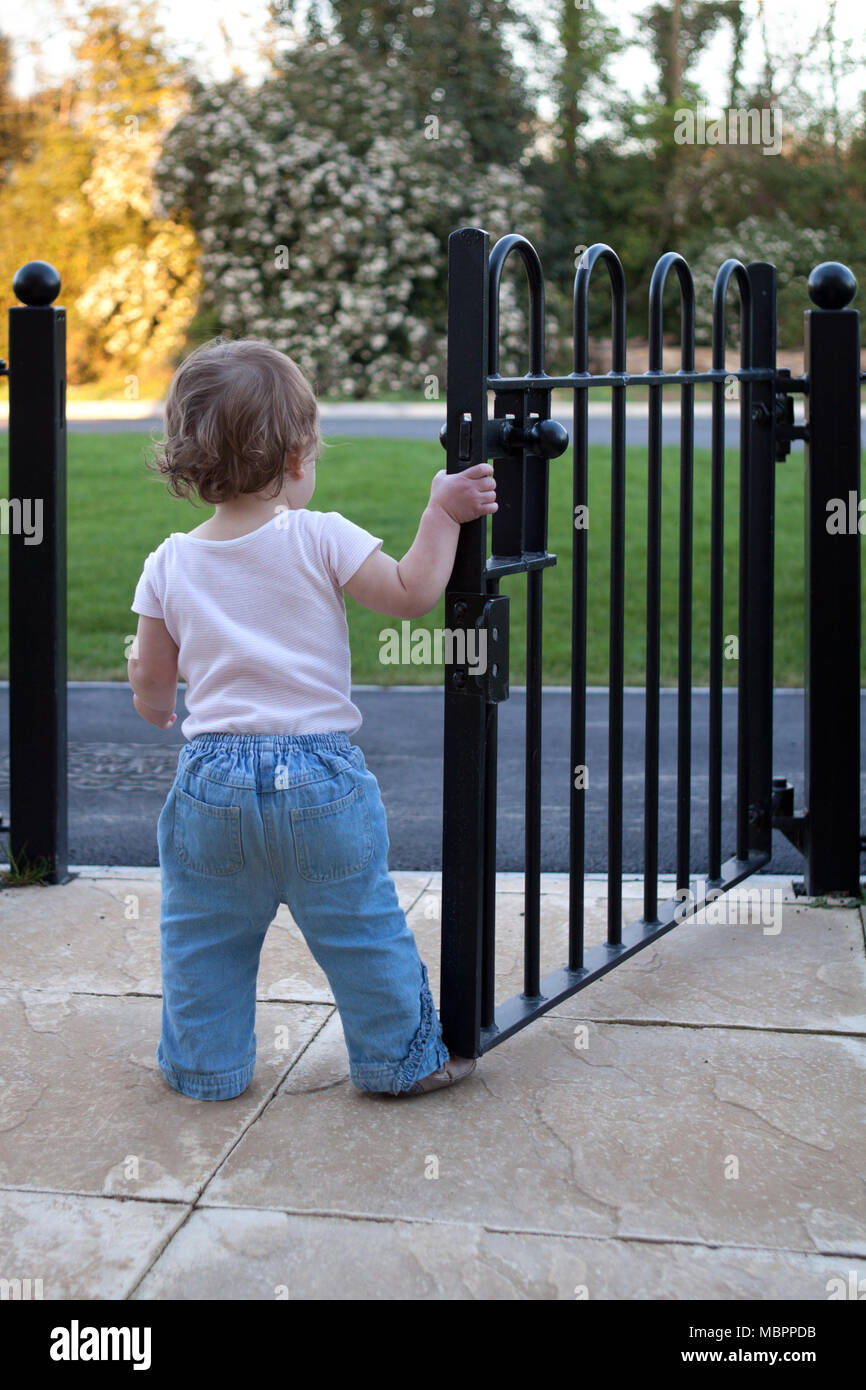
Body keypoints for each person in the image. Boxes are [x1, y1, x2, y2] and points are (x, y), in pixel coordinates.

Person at [128, 336, 497, 1102]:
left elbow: (152, 675)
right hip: (320, 780)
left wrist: (156, 706)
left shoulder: (168, 561)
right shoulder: (320, 534)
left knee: (203, 937)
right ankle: (404, 1061)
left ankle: (205, 1068)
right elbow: (409, 592)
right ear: (297, 456)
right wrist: (441, 511)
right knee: (360, 928)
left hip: (211, 785)